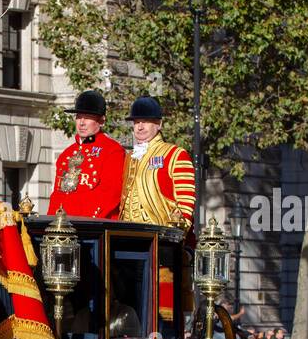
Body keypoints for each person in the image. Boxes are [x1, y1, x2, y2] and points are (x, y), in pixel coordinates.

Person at [117, 96, 196, 235]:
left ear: (159, 124)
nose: (140, 127)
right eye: (136, 122)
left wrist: (177, 234)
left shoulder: (175, 154)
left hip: (160, 235)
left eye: (146, 122)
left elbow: (186, 201)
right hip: (126, 234)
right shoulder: (129, 157)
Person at [47, 89, 125, 219]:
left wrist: (85, 221)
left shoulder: (113, 151)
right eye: (78, 117)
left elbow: (111, 194)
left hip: (94, 227)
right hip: (64, 226)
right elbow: (57, 194)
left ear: (101, 121)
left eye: (88, 117)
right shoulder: (66, 154)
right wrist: (50, 222)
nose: (81, 122)